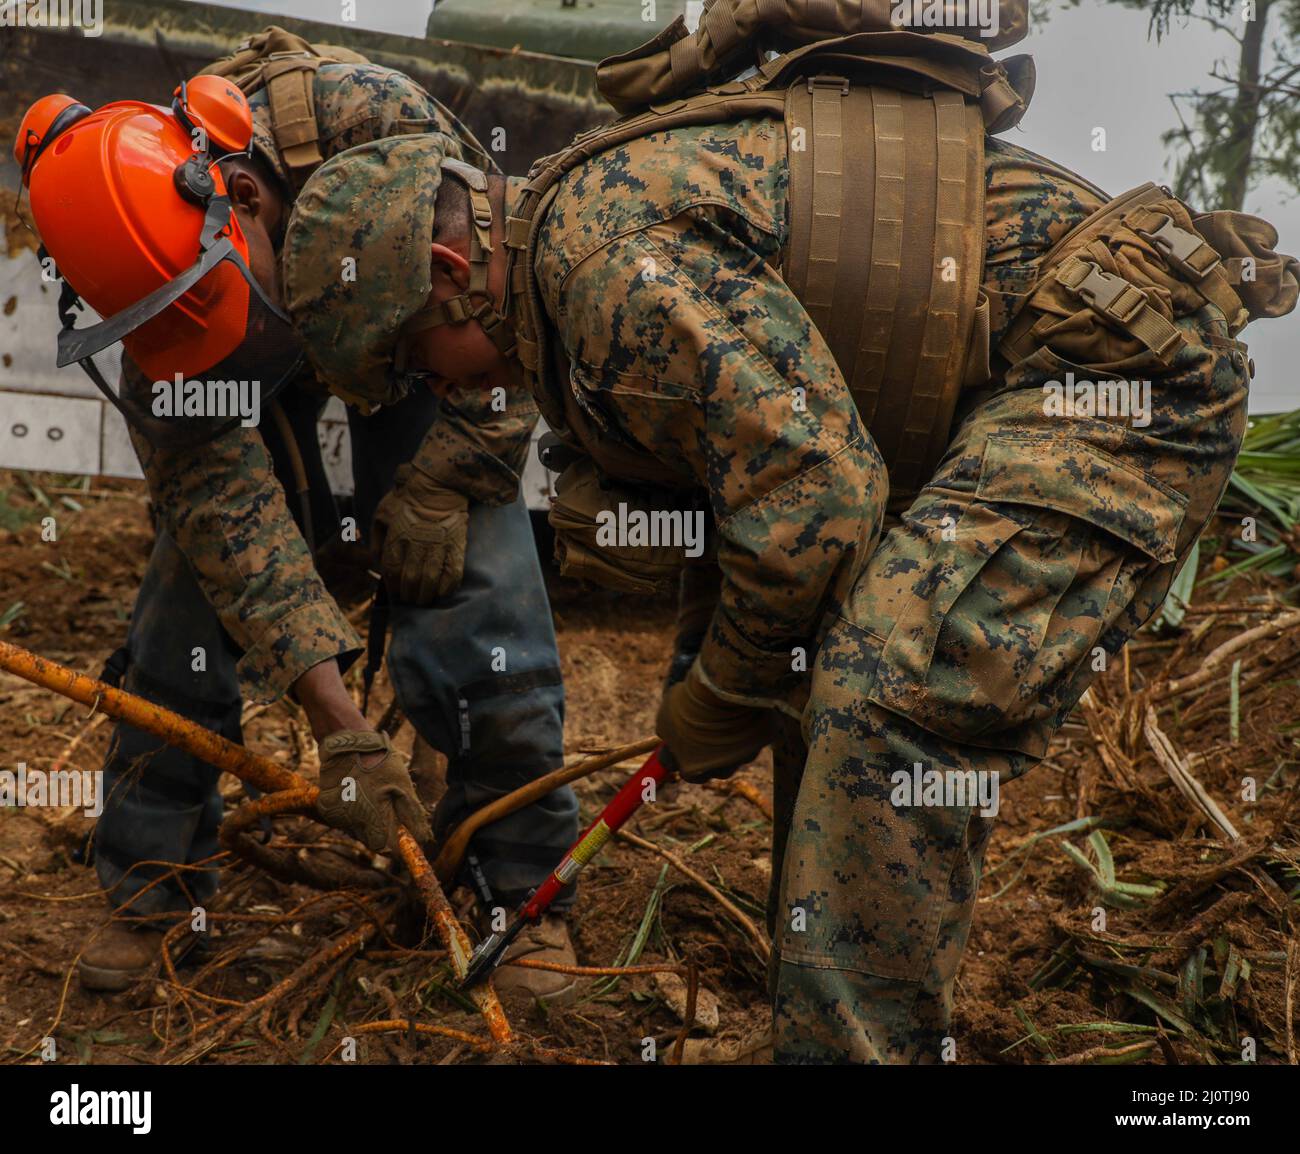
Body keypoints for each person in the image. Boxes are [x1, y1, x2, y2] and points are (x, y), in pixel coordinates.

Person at [277, 16, 1297, 1057]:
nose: (435, 388)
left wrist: (723, 686)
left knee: (884, 693)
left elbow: (817, 495)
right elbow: (746, 479)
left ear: (451, 267)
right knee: (825, 678)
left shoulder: (598, 264)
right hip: (1005, 384)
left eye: (414, 357)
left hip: (1112, 380)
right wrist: (722, 667)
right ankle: (828, 1027)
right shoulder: (563, 263)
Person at [17, 53, 580, 999]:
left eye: (216, 313)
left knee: (482, 583)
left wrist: (445, 481)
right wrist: (340, 728)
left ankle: (520, 891)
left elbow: (509, 309)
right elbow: (226, 521)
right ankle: (151, 890)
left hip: (418, 342)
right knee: (186, 605)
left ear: (242, 193)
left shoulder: (380, 124)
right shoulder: (143, 289)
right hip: (268, 354)